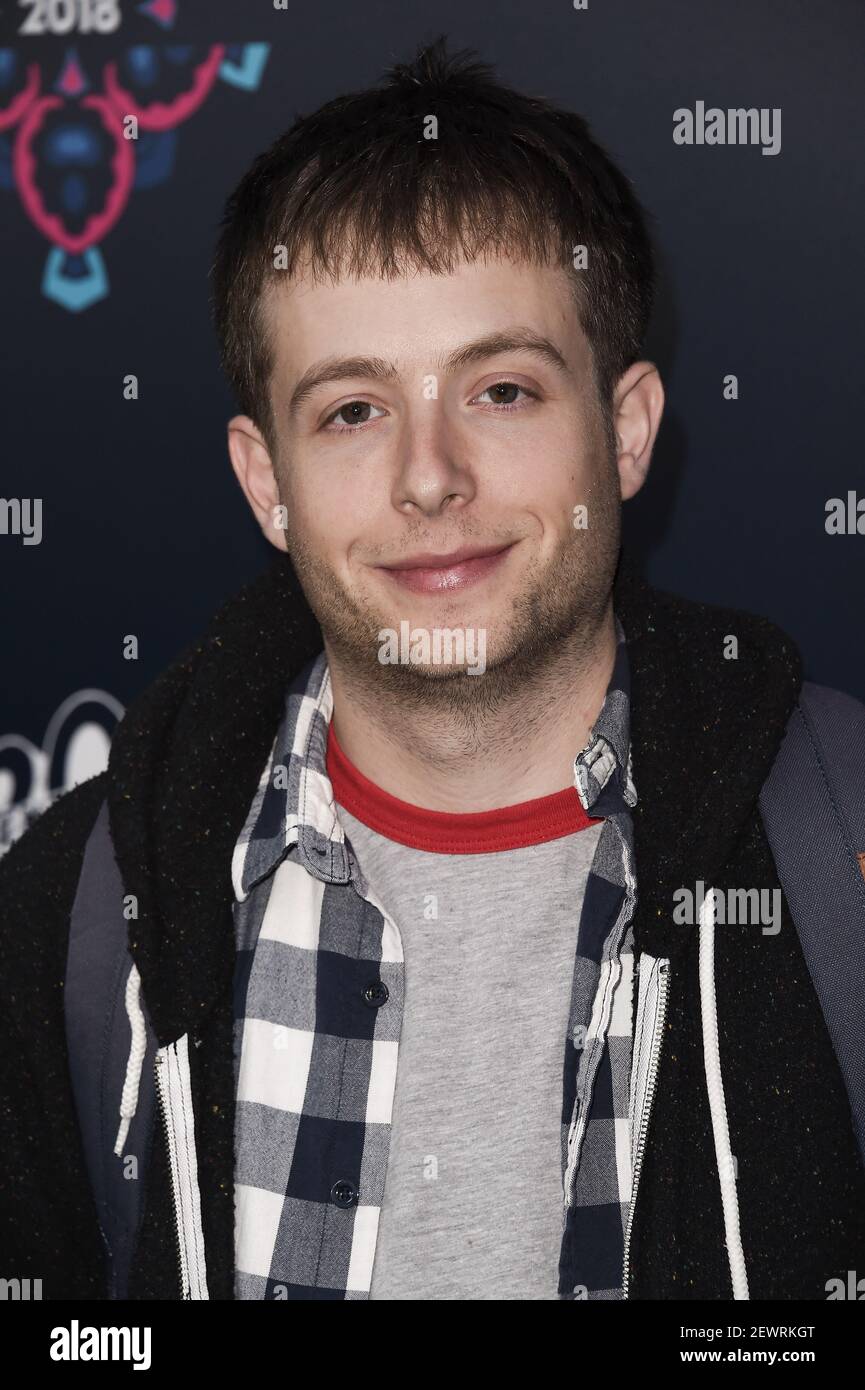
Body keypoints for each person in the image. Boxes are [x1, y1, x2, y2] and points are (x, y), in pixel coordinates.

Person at [1, 36, 863, 1303]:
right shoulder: (64, 924)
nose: (428, 476)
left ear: (624, 433)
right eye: (353, 409)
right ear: (264, 483)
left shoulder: (841, 854)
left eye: (502, 390)